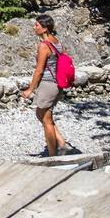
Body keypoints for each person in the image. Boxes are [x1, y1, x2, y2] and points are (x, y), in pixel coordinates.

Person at [21, 15, 80, 158]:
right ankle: (61, 143)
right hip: (56, 84)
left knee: (46, 120)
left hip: (47, 85)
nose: (34, 28)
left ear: (45, 28)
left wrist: (30, 89)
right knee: (40, 114)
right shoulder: (56, 42)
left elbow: (39, 70)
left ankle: (53, 156)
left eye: (37, 25)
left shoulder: (44, 46)